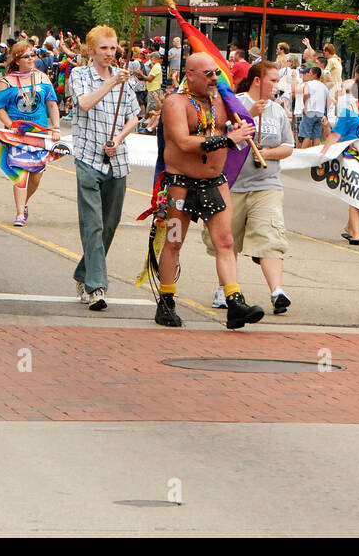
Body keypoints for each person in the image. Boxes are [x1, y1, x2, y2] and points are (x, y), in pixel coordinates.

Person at [154, 53, 262, 330]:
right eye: (208, 74)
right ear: (189, 75)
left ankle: (234, 302)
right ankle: (166, 301)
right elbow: (184, 142)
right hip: (180, 187)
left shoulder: (222, 103)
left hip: (215, 184)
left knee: (225, 242)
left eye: (216, 73)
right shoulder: (175, 103)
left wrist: (242, 126)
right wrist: (228, 138)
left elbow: (239, 127)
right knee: (174, 242)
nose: (215, 78)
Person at [204, 61, 297, 315]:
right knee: (228, 240)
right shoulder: (235, 104)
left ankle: (277, 291)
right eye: (273, 81)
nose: (277, 86)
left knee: (270, 236)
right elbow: (220, 134)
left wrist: (268, 152)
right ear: (257, 80)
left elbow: (289, 146)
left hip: (267, 184)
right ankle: (225, 289)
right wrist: (251, 114)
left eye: (278, 81)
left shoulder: (278, 111)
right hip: (233, 185)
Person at [69, 26, 137, 312]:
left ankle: (84, 273)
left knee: (109, 225)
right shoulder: (79, 75)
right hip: (87, 157)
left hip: (116, 161)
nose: (110, 54)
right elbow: (84, 103)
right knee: (93, 224)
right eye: (104, 48)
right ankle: (97, 286)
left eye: (113, 48)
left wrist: (118, 139)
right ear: (92, 50)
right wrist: (111, 83)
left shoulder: (126, 81)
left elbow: (134, 118)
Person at [0, 42, 61, 226]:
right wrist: (10, 125)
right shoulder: (6, 82)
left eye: (33, 55)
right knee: (20, 173)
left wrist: (56, 127)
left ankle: (25, 203)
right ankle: (20, 213)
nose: (31, 59)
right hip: (18, 136)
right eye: (26, 56)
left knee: (36, 177)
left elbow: (52, 105)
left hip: (40, 134)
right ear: (17, 60)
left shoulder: (43, 78)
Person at [324, 65, 359, 245]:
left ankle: (349, 226)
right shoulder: (350, 109)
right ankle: (356, 234)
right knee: (357, 190)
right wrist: (323, 154)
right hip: (352, 155)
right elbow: (336, 133)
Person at [298, 65, 329, 147]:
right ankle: (315, 155)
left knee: (306, 135)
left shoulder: (308, 84)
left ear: (315, 75)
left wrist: (305, 107)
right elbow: (327, 101)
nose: (308, 74)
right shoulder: (324, 87)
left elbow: (305, 94)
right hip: (320, 112)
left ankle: (303, 155)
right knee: (316, 136)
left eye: (310, 73)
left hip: (310, 111)